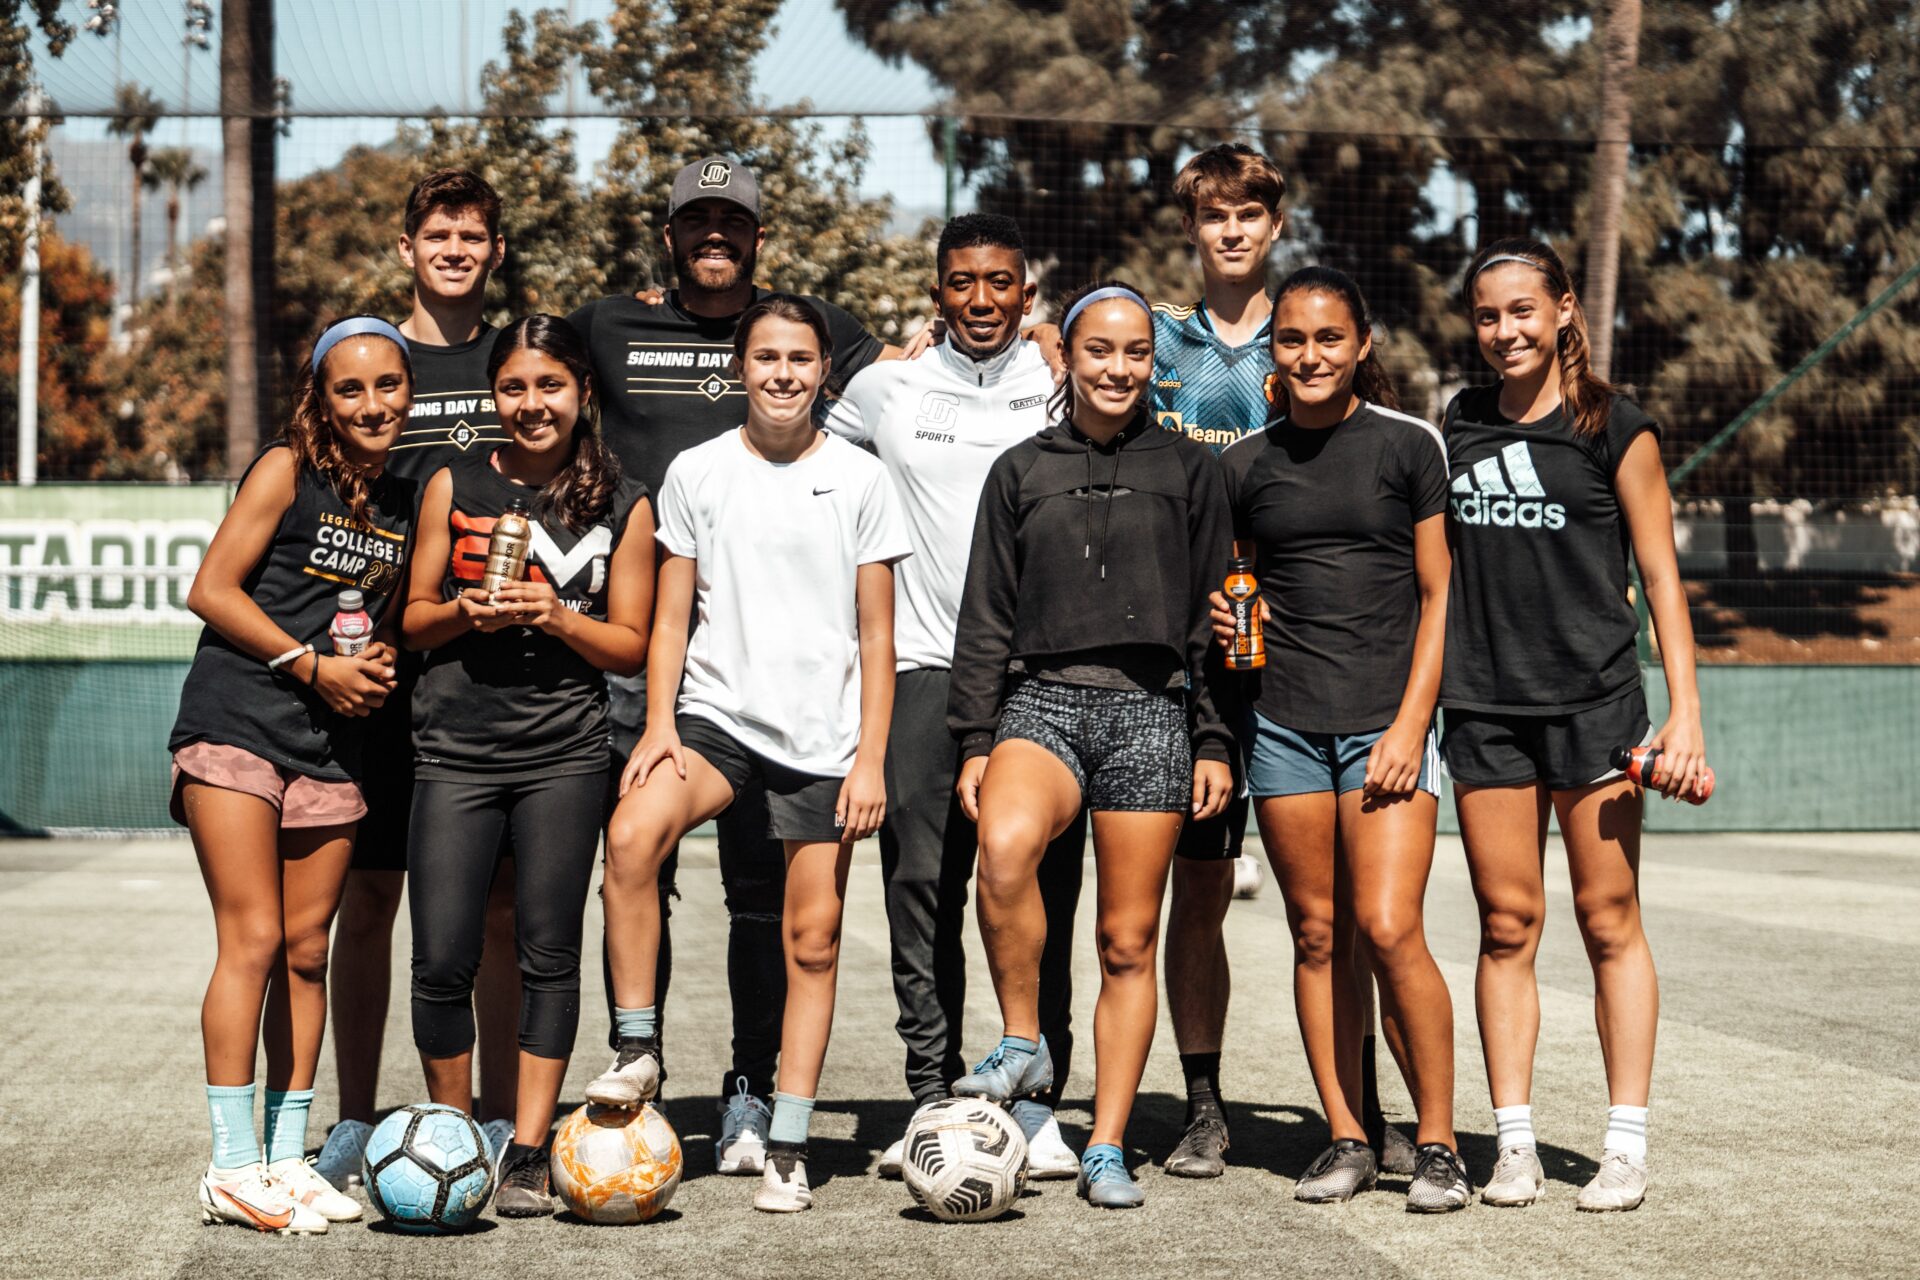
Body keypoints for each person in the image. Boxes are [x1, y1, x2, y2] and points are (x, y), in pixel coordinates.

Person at [567, 157, 914, 1172]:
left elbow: (903, 362)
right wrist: (664, 716)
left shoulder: (848, 448)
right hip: (682, 686)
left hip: (815, 721)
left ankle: (761, 1100)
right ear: (671, 233)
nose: (713, 233)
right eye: (696, 220)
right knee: (635, 848)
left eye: (732, 221)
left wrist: (1026, 345)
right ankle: (638, 1051)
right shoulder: (615, 334)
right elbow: (529, 371)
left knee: (781, 917)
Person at [948, 281, 1235, 1209]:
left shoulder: (1193, 470)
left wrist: (1213, 737)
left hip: (1152, 712)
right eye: (1100, 351)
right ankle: (1023, 1041)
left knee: (1125, 942)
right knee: (1004, 849)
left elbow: (1211, 618)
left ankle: (1106, 1144)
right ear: (1066, 359)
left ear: (1155, 362)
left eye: (1136, 352)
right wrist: (974, 738)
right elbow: (985, 615)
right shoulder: (1019, 470)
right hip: (1042, 703)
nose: (1118, 368)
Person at [1444, 239, 1708, 1213]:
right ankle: (1513, 1142)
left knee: (1609, 919)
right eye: (1486, 315)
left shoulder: (1616, 426)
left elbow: (1662, 579)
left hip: (1599, 705)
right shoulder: (1457, 422)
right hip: (1484, 707)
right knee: (1507, 922)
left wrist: (1684, 713)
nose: (1504, 330)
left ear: (1562, 311)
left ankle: (1624, 1144)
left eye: (1522, 310)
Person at [821, 213, 1086, 1180]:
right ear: (937, 293)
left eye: (1002, 283)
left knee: (1041, 891)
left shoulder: (1059, 381)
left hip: (1042, 678)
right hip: (925, 671)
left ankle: (1042, 1102)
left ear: (1028, 294)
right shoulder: (887, 388)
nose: (983, 300)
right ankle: (931, 1098)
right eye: (963, 283)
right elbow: (799, 452)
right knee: (920, 893)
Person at [1210, 267, 1468, 1210]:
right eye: (1290, 340)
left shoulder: (1410, 446)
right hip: (1282, 730)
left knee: (1389, 927)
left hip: (1386, 731)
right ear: (1270, 351)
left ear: (1363, 344)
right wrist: (1230, 621)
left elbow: (1441, 598)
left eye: (1328, 338)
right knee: (1315, 934)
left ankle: (1437, 1145)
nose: (1309, 355)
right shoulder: (1241, 465)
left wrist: (1410, 725)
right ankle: (1348, 1135)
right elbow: (1237, 593)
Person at [400, 315, 654, 1218]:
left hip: (565, 755)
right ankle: (453, 1136)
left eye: (549, 385)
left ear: (582, 391)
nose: (531, 403)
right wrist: (469, 611)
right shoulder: (454, 481)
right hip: (454, 752)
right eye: (513, 386)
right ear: (493, 394)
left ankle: (529, 1151)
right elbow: (413, 619)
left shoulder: (625, 499)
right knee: (440, 959)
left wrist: (552, 617)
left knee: (550, 953)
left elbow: (628, 644)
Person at [170, 316, 416, 1233]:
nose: (371, 404)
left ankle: (285, 1160)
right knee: (257, 940)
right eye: (349, 388)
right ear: (321, 394)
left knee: (309, 951)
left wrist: (376, 663)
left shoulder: (403, 497)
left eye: (388, 385)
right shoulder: (286, 468)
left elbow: (380, 620)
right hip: (238, 725)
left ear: (408, 391)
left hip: (332, 749)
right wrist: (311, 667)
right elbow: (211, 588)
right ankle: (231, 1167)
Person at [317, 168, 522, 1189]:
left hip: (490, 682)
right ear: (408, 247)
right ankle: (355, 1115)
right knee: (370, 891)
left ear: (494, 248)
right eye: (437, 232)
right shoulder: (372, 357)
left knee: (496, 907)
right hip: (380, 671)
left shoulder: (517, 357)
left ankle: (488, 1118)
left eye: (471, 234)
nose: (453, 248)